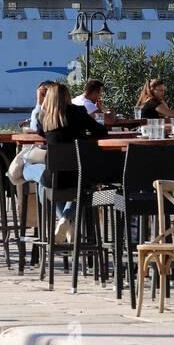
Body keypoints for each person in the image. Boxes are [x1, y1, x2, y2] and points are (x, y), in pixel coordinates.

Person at [25, 81, 109, 239]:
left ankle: (65, 220)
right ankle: (67, 218)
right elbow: (101, 131)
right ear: (67, 97)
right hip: (81, 174)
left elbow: (42, 134)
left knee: (35, 174)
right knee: (82, 190)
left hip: (55, 177)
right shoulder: (78, 111)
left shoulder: (44, 116)